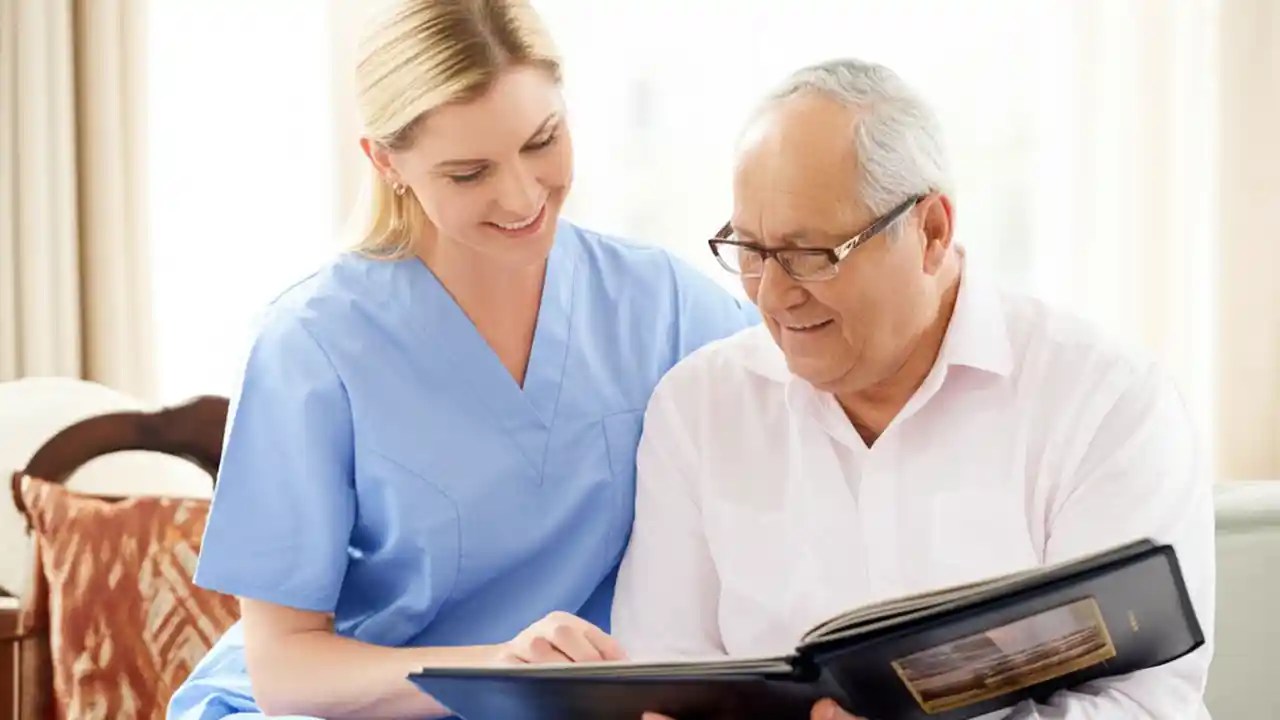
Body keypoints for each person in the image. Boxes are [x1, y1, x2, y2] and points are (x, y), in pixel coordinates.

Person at [166, 1, 758, 718]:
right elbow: (284, 670)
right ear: (386, 162)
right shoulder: (312, 345)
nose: (521, 195)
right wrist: (496, 667)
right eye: (469, 173)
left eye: (542, 140)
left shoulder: (662, 303)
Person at [618, 58, 1215, 720]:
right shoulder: (699, 409)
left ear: (931, 231)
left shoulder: (1105, 404)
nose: (774, 295)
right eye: (752, 251)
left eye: (810, 255)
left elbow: (1147, 705)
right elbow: (664, 679)